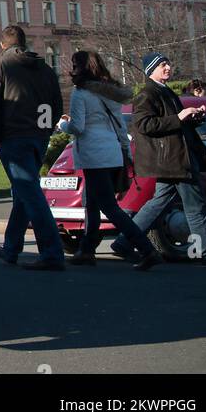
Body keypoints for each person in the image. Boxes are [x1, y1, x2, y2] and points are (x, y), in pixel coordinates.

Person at [109, 54, 206, 268]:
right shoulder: (147, 93)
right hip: (175, 159)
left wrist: (195, 117)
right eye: (163, 65)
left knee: (156, 204)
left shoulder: (165, 90)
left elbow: (174, 124)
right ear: (151, 70)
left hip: (173, 158)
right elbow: (144, 125)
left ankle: (124, 242)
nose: (168, 67)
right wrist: (180, 117)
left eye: (168, 64)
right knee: (196, 207)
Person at [56, 52, 159, 270]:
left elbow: (78, 127)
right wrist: (125, 152)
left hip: (94, 156)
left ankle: (147, 249)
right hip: (112, 152)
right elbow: (120, 125)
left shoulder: (81, 92)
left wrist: (63, 125)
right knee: (91, 204)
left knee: (109, 208)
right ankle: (86, 249)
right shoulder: (111, 92)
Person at [0, 25, 66, 270]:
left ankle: (51, 252)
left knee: (30, 194)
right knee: (23, 193)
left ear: (2, 45)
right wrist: (45, 130)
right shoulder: (46, 69)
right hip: (38, 137)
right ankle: (11, 247)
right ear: (24, 43)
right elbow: (56, 106)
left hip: (12, 137)